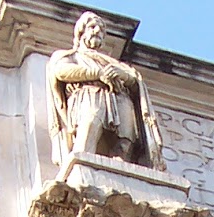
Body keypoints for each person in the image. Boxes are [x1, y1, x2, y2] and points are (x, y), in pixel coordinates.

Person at [46, 11, 165, 170]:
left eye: (101, 30)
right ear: (81, 32)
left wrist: (126, 76)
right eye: (93, 27)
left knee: (126, 139)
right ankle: (80, 167)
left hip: (120, 99)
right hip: (89, 96)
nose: (98, 32)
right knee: (90, 126)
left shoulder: (111, 62)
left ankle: (122, 170)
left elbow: (135, 81)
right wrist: (97, 73)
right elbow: (61, 71)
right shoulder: (69, 55)